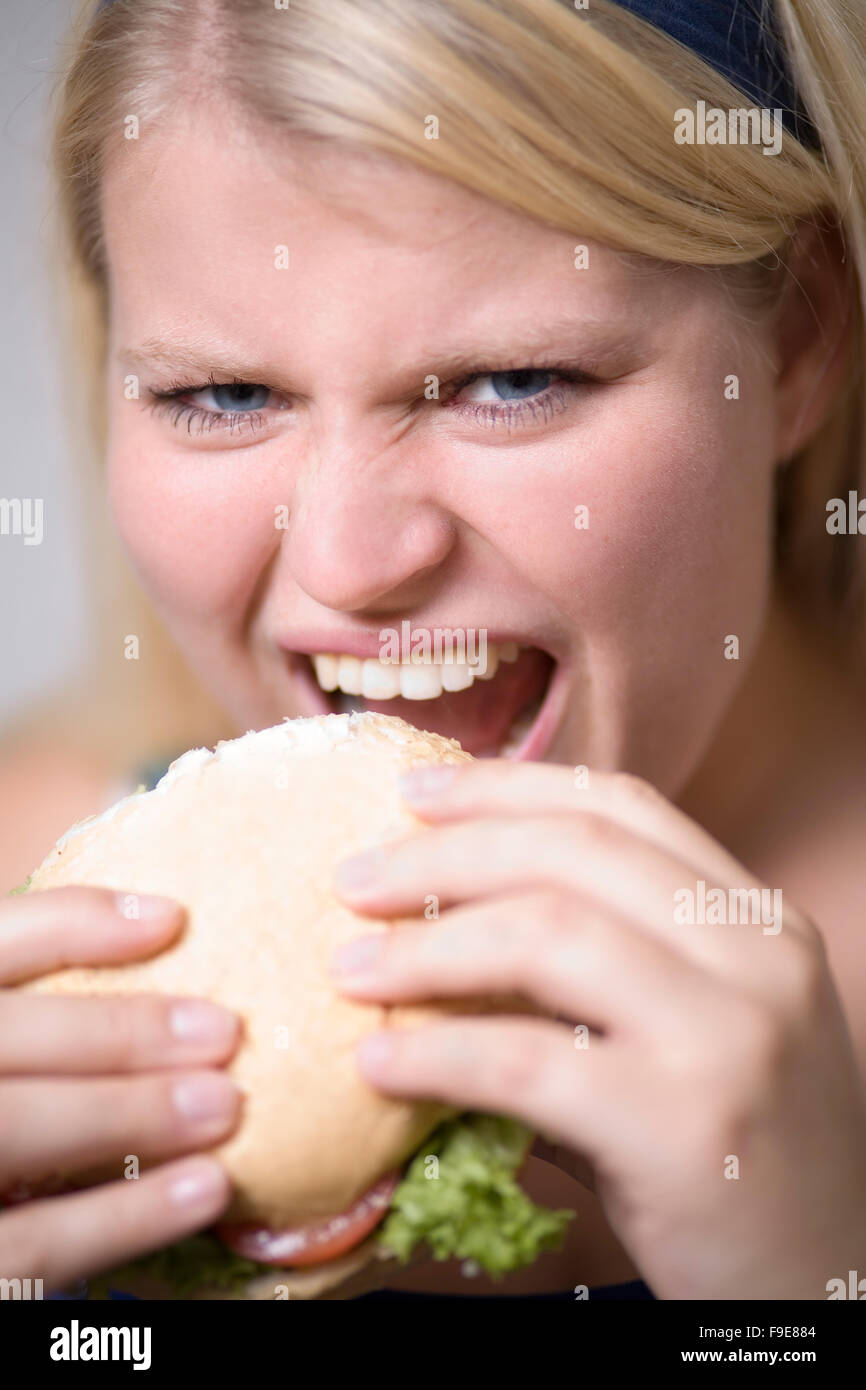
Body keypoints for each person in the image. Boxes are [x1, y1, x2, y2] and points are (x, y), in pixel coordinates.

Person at [2, 0, 866, 1301]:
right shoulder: (29, 920)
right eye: (223, 396)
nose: (348, 560)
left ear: (797, 340)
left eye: (511, 380)